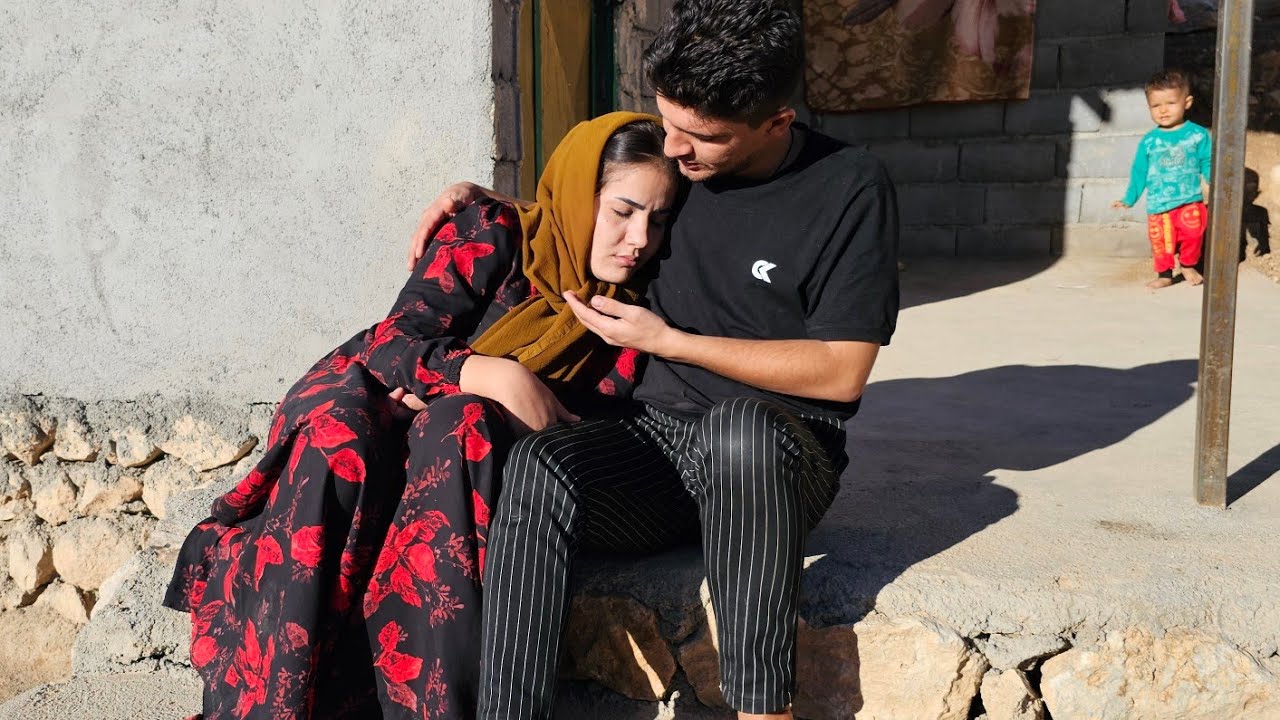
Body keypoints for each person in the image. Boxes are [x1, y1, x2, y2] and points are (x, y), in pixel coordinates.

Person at [408, 3, 899, 718]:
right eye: (667, 120)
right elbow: (600, 201)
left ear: (776, 123)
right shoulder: (679, 165)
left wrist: (668, 341)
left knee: (739, 431)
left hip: (778, 457)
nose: (674, 148)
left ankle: (763, 711)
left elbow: (841, 371)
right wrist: (495, 204)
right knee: (541, 464)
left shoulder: (850, 188)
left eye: (700, 136)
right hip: (655, 446)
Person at [162, 112, 680, 720]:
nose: (639, 238)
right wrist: (496, 374)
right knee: (342, 442)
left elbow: (583, 424)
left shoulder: (632, 314)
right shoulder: (497, 232)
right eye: (621, 211)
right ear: (576, 194)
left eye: (658, 219)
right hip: (373, 393)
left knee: (458, 426)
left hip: (452, 435)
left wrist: (475, 399)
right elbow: (395, 342)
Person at [1113, 69, 1212, 290]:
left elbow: (1207, 160)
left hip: (1190, 200)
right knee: (1161, 242)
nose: (1163, 110)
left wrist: (1212, 180)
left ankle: (1188, 265)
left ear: (1187, 103)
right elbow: (1139, 171)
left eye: (1170, 103)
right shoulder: (1149, 141)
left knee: (1194, 234)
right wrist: (1129, 198)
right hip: (1159, 205)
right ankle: (1165, 274)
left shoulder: (1198, 135)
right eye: (1156, 106)